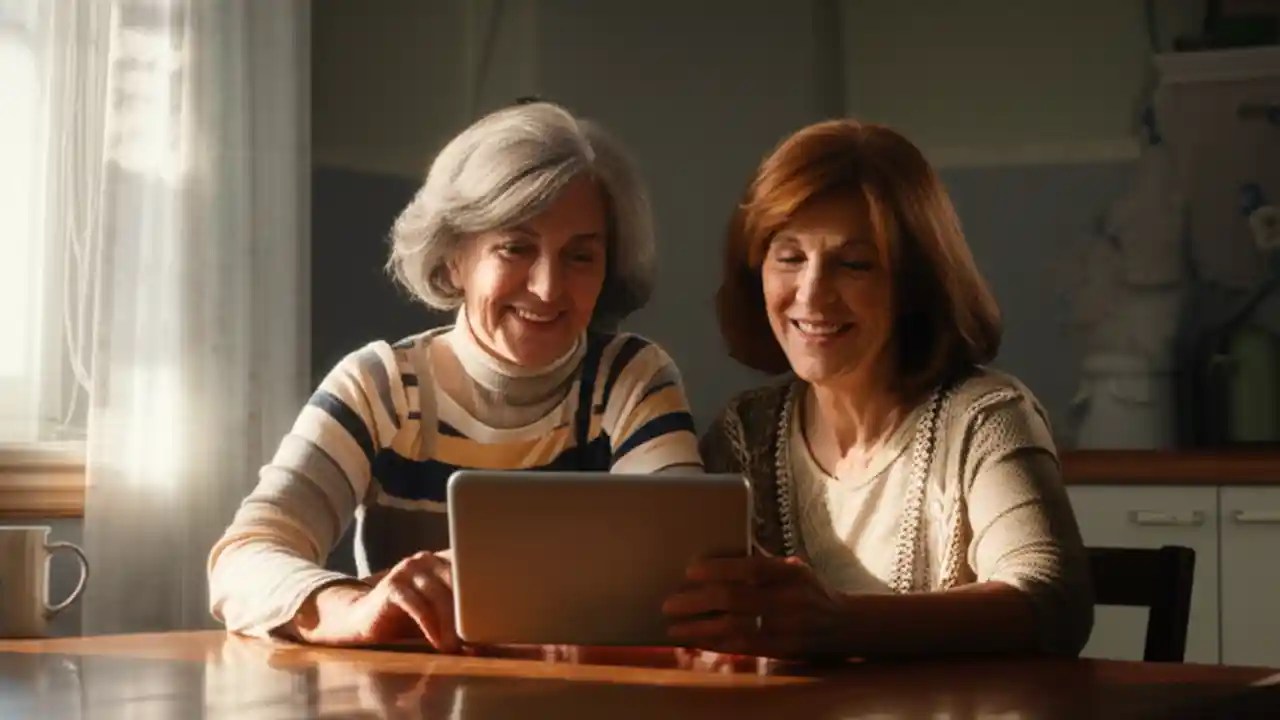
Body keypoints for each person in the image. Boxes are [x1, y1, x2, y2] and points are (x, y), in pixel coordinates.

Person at [209, 101, 701, 652]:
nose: (547, 287)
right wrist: (356, 607)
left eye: (580, 256)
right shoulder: (381, 385)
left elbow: (680, 570)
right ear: (452, 258)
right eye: (516, 248)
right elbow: (243, 559)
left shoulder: (633, 378)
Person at [663, 119, 1093, 659]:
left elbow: (1053, 603)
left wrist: (843, 623)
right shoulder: (742, 432)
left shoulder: (985, 417)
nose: (812, 296)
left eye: (855, 264)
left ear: (914, 282)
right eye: (790, 257)